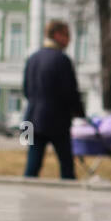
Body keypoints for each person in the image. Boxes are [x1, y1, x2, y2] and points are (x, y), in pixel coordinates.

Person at [23, 20, 85, 179]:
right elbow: (70, 92)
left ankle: (24, 196)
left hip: (30, 120)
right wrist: (80, 113)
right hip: (56, 120)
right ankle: (69, 198)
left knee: (32, 164)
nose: (69, 40)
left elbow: (26, 90)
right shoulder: (62, 60)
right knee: (66, 165)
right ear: (57, 35)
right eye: (67, 35)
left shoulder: (32, 58)